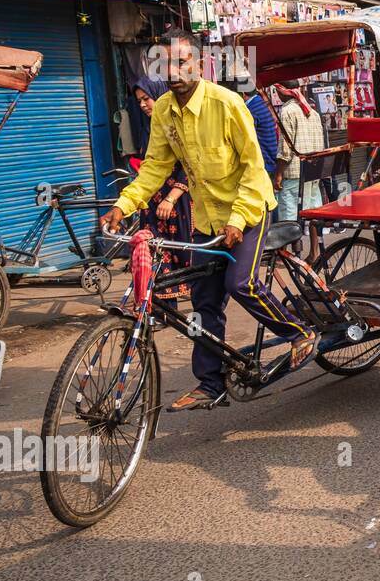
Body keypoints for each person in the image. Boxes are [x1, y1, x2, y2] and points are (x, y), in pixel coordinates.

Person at [104, 33, 315, 412]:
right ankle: (210, 384)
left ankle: (299, 333)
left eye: (182, 62)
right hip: (206, 218)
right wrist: (125, 204)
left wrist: (237, 220)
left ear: (199, 65)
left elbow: (254, 169)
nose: (174, 71)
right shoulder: (165, 110)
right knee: (203, 301)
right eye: (166, 64)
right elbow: (154, 167)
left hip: (248, 210)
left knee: (240, 283)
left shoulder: (227, 104)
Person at [129, 76, 193, 305]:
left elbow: (189, 164)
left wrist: (171, 197)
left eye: (146, 98)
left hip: (177, 204)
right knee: (157, 254)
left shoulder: (177, 124)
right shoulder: (149, 128)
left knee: (183, 255)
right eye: (139, 101)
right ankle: (164, 309)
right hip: (153, 204)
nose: (143, 105)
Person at [275, 87, 327, 221]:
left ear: (282, 92)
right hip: (313, 171)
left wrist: (279, 173)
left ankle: (296, 243)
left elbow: (285, 148)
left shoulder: (287, 111)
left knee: (290, 216)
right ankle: (316, 243)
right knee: (313, 212)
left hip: (294, 173)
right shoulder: (313, 112)